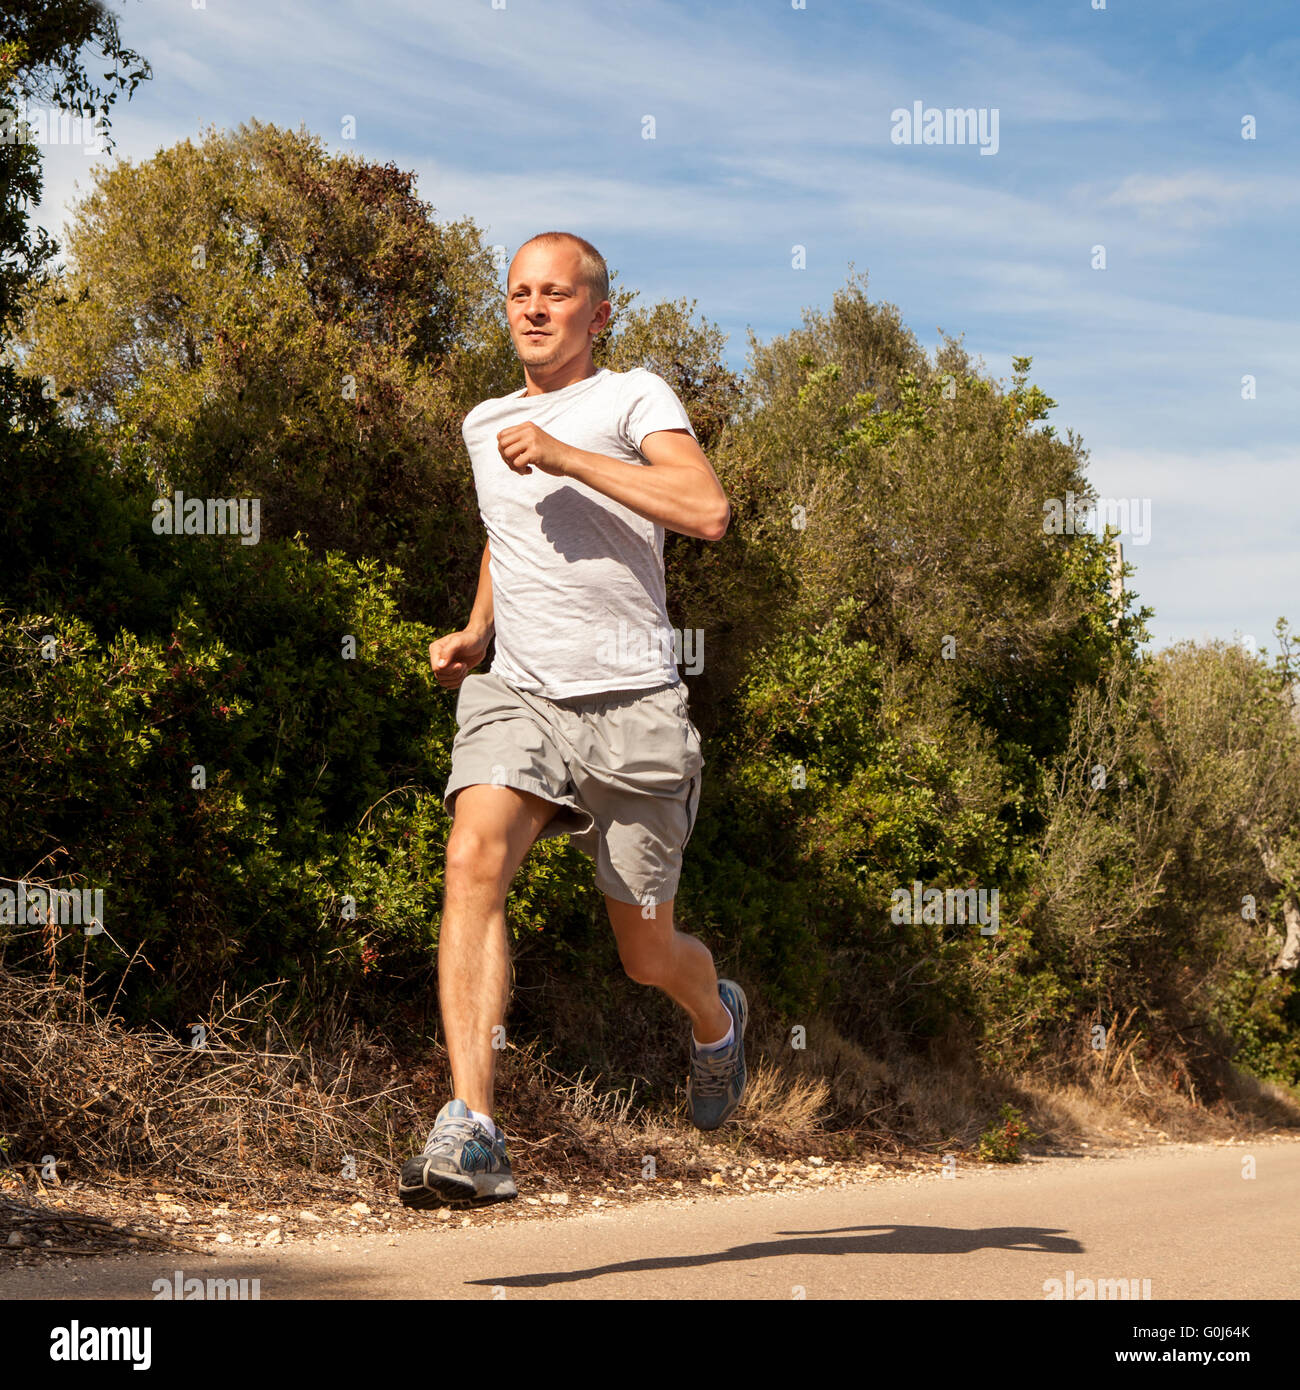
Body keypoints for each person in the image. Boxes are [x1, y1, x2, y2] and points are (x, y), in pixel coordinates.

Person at [398, 231, 746, 1209]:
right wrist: (475, 631)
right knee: (470, 856)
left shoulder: (632, 397)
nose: (533, 308)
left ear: (598, 313)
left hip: (633, 705)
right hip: (522, 694)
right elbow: (508, 535)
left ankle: (714, 1017)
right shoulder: (484, 422)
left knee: (646, 954)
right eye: (518, 293)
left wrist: (564, 453)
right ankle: (471, 1127)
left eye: (556, 294)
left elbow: (705, 508)